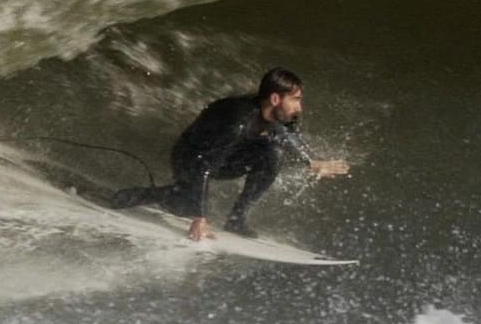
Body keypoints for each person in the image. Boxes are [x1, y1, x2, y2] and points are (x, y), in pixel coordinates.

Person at [110, 67, 349, 241]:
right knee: (185, 205)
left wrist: (311, 162)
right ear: (275, 99)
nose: (299, 107)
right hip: (191, 158)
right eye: (295, 100)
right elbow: (203, 166)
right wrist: (199, 218)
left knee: (273, 153)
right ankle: (143, 195)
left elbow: (286, 136)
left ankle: (236, 219)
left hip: (227, 157)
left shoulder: (279, 114)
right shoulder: (238, 121)